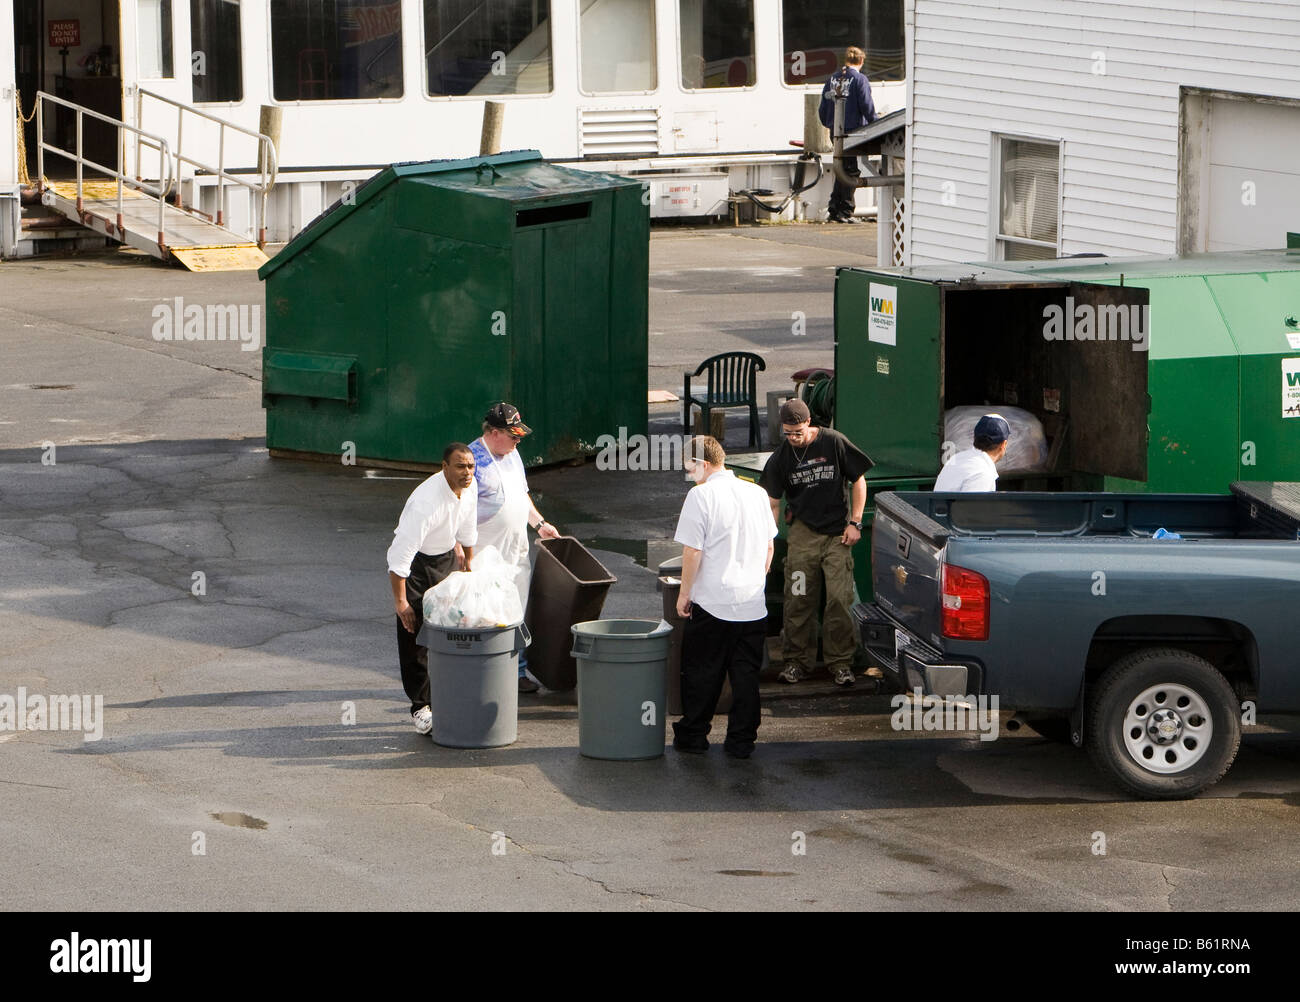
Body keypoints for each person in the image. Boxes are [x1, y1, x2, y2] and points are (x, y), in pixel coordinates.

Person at [672, 436, 777, 759]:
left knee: (703, 671)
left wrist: (684, 593)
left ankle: (693, 735)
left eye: (690, 468)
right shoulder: (756, 493)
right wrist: (756, 579)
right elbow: (770, 546)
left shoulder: (700, 496)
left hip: (713, 600)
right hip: (752, 602)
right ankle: (742, 741)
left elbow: (693, 551)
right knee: (745, 674)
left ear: (703, 464)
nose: (689, 474)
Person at [760, 399, 872, 687]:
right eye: (787, 432)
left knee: (839, 599)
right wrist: (768, 539)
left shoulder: (833, 442)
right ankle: (796, 661)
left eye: (797, 432)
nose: (793, 438)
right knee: (798, 598)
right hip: (802, 535)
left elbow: (858, 480)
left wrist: (855, 522)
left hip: (837, 534)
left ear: (808, 423)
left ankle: (841, 663)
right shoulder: (781, 457)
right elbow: (772, 502)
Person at [467, 403, 560, 693]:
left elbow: (521, 495)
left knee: (516, 610)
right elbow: (459, 510)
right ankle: (481, 671)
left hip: (515, 550)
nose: (518, 441)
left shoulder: (512, 453)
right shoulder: (472, 461)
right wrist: (461, 552)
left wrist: (539, 523)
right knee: (486, 612)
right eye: (513, 436)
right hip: (485, 553)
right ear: (494, 433)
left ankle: (516, 672)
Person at [386, 443, 478, 734]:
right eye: (461, 466)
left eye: (471, 466)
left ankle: (446, 698)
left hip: (446, 560)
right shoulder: (426, 504)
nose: (467, 472)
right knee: (415, 637)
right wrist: (401, 603)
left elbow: (467, 529)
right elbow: (398, 558)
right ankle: (420, 708)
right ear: (444, 467)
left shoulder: (470, 488)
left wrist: (469, 564)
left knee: (451, 629)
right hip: (415, 567)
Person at [818, 45, 877, 224]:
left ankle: (834, 209)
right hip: (852, 132)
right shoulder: (860, 79)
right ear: (861, 61)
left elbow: (822, 108)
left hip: (834, 130)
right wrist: (875, 122)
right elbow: (866, 106)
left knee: (841, 169)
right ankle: (846, 211)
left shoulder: (832, 79)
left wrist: (828, 123)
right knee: (850, 171)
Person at [934, 414, 1012, 492]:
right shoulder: (982, 472)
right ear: (1004, 444)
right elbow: (973, 504)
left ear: (974, 438)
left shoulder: (956, 458)